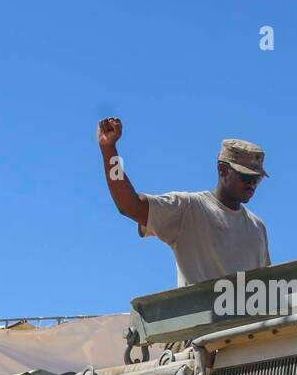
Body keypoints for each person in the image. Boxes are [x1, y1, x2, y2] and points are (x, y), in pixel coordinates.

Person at [96, 117, 270, 286]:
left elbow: (266, 289)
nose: (252, 184)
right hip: (201, 315)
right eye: (246, 177)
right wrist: (109, 150)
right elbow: (129, 205)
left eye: (257, 179)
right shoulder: (189, 209)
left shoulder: (257, 227)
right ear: (222, 170)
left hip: (249, 316)